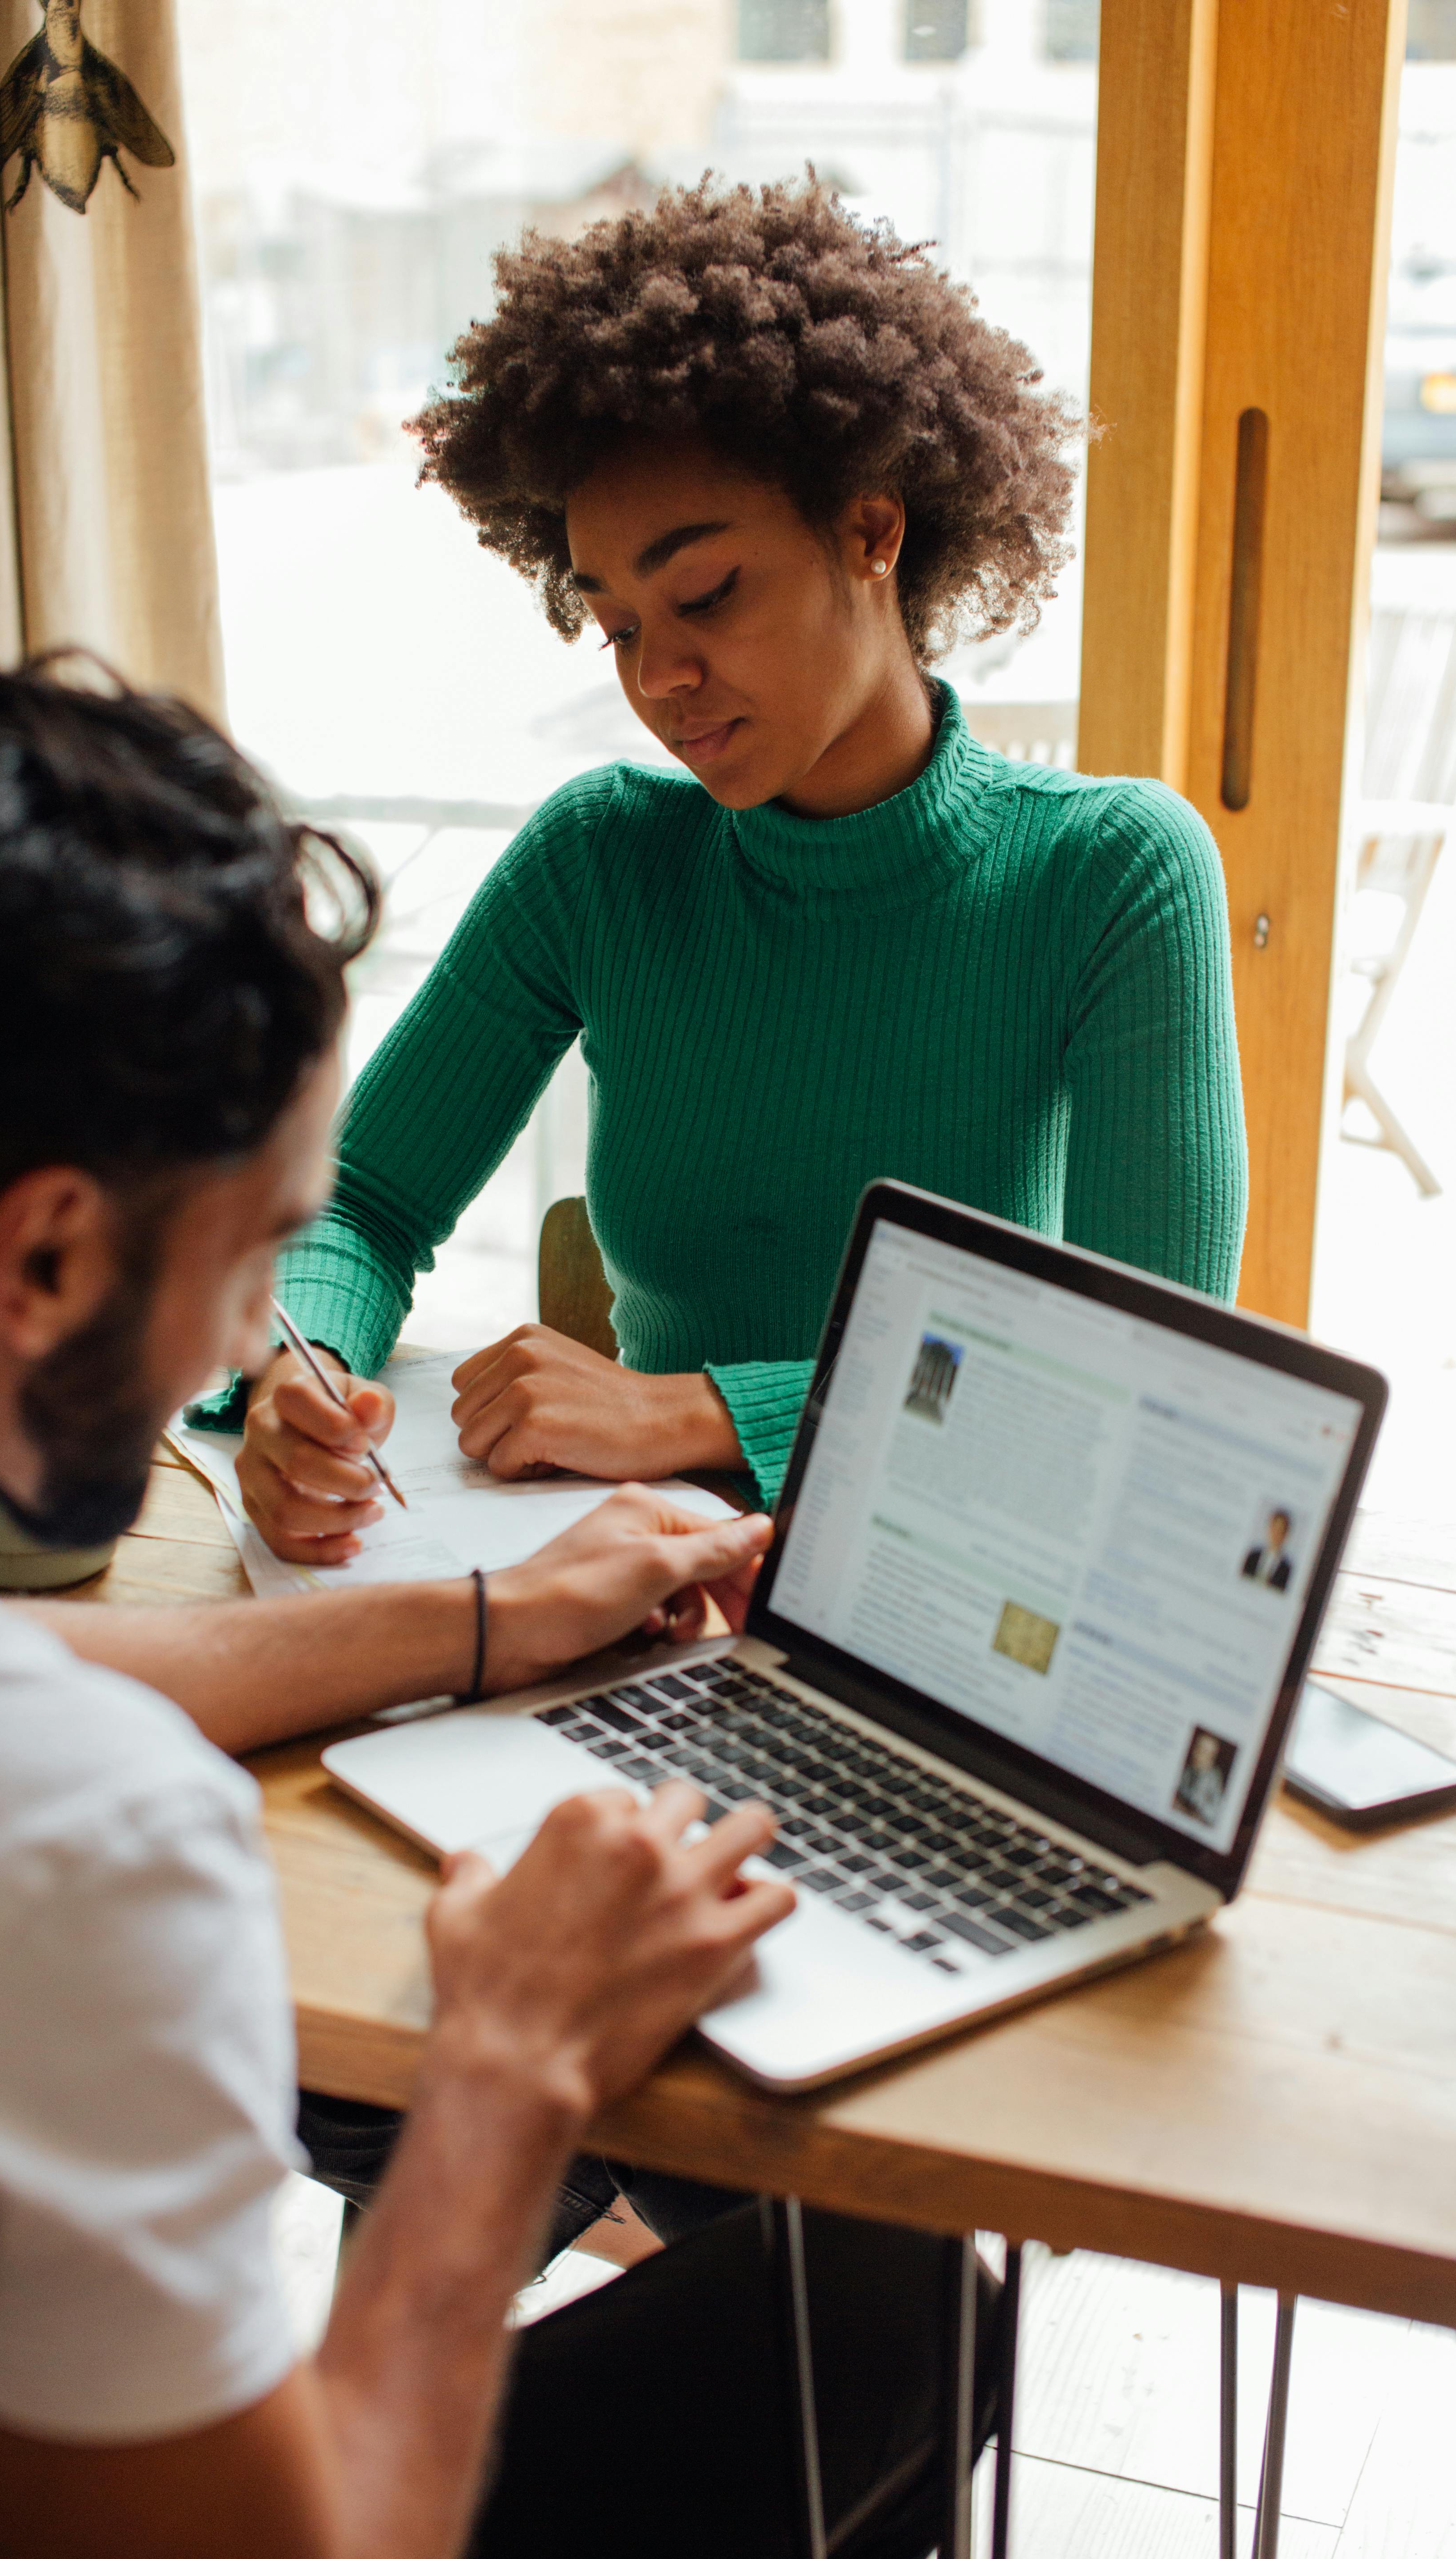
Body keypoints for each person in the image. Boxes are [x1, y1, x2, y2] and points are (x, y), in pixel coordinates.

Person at [0, 663, 999, 2559]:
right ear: (44, 1253)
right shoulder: (79, 1852)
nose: (258, 1334)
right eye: (252, 1253)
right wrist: (506, 2075)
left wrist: (483, 1618)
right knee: (886, 2313)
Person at [224, 173, 1247, 1578]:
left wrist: (695, 1411)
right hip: (643, 1590)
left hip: (956, 1591)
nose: (658, 678)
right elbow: (362, 1203)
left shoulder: (1109, 876)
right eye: (616, 625)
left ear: (872, 532)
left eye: (706, 595)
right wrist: (307, 1373)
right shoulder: (599, 859)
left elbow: (1161, 1376)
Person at [1242, 1510, 1295, 1593]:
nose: (1277, 1534)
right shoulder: (1253, 1556)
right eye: (1275, 1528)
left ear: (1286, 1534)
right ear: (1270, 1529)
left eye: (1281, 1530)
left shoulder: (1287, 1569)